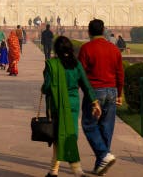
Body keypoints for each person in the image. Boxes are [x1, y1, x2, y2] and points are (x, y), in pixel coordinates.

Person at [43, 36, 101, 177]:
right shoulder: (76, 65)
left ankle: (75, 170)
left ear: (56, 49)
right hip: (73, 104)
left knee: (60, 135)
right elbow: (86, 85)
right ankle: (55, 170)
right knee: (69, 134)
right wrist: (95, 102)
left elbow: (46, 88)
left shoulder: (53, 65)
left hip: (58, 105)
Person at [78, 19, 124, 176]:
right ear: (104, 30)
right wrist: (120, 93)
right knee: (106, 127)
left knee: (89, 125)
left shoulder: (86, 48)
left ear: (89, 32)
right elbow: (120, 73)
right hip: (111, 91)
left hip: (95, 93)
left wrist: (76, 89)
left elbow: (81, 73)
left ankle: (104, 155)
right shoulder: (113, 48)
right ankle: (101, 165)